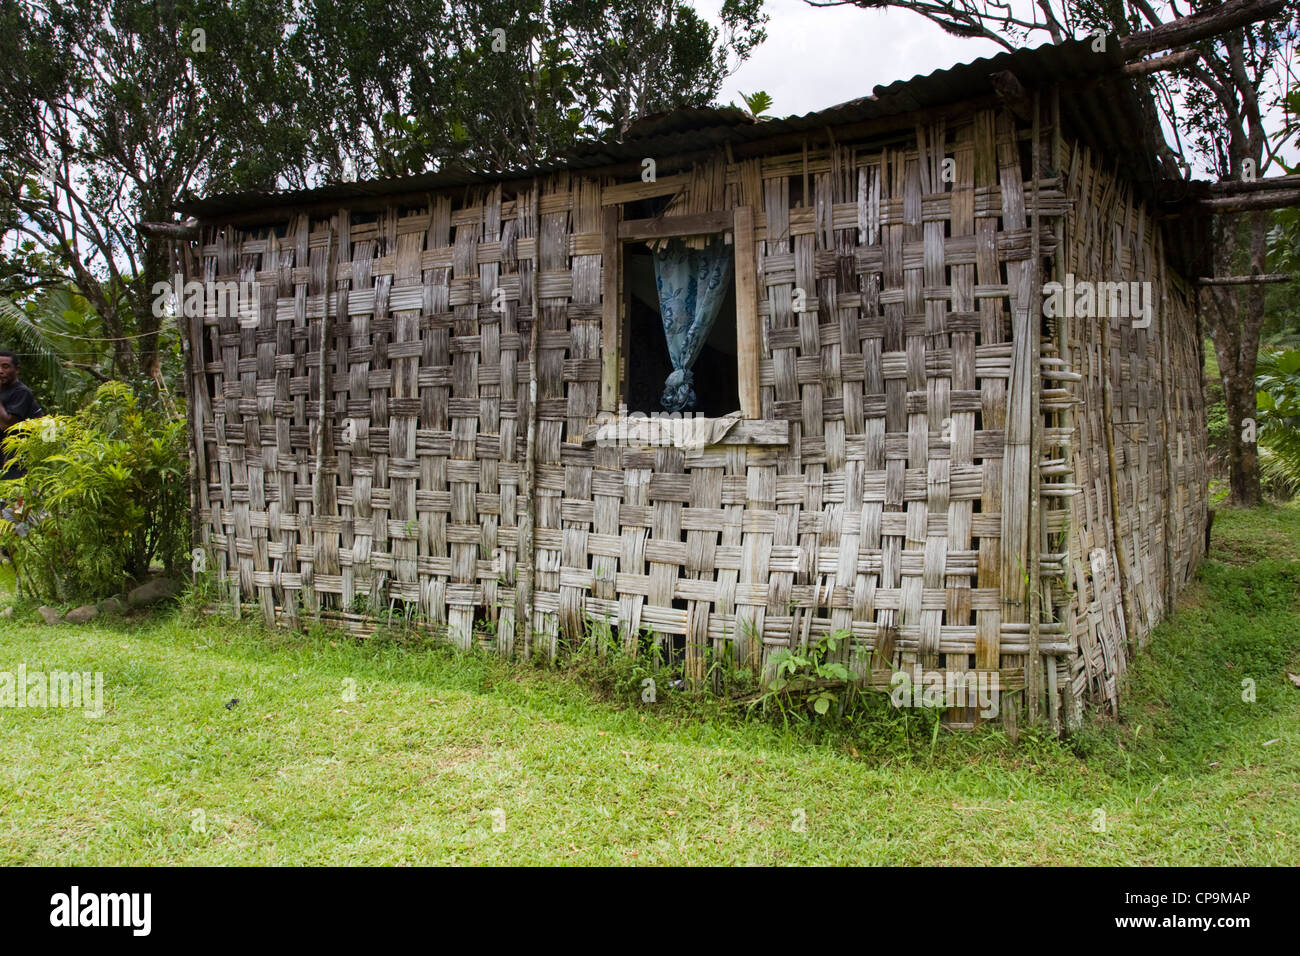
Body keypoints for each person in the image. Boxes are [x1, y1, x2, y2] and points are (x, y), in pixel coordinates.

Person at [0, 351, 43, 480]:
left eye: (5, 367)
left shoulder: (21, 392)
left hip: (16, 461)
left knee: (11, 498)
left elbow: (7, 424)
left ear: (17, 369)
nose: (0, 371)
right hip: (3, 459)